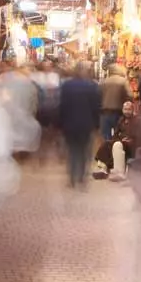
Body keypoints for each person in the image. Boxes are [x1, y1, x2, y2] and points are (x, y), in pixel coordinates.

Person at [58, 61, 102, 189]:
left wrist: (60, 123)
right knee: (84, 152)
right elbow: (96, 108)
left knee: (72, 151)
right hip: (86, 124)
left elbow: (62, 106)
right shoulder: (92, 86)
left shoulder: (66, 86)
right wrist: (97, 125)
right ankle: (82, 177)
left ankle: (72, 177)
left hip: (69, 124)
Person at [99, 64, 132, 142]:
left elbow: (98, 96)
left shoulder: (103, 82)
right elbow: (130, 95)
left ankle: (107, 152)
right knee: (118, 135)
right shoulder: (123, 81)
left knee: (106, 137)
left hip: (104, 113)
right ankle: (115, 152)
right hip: (118, 112)